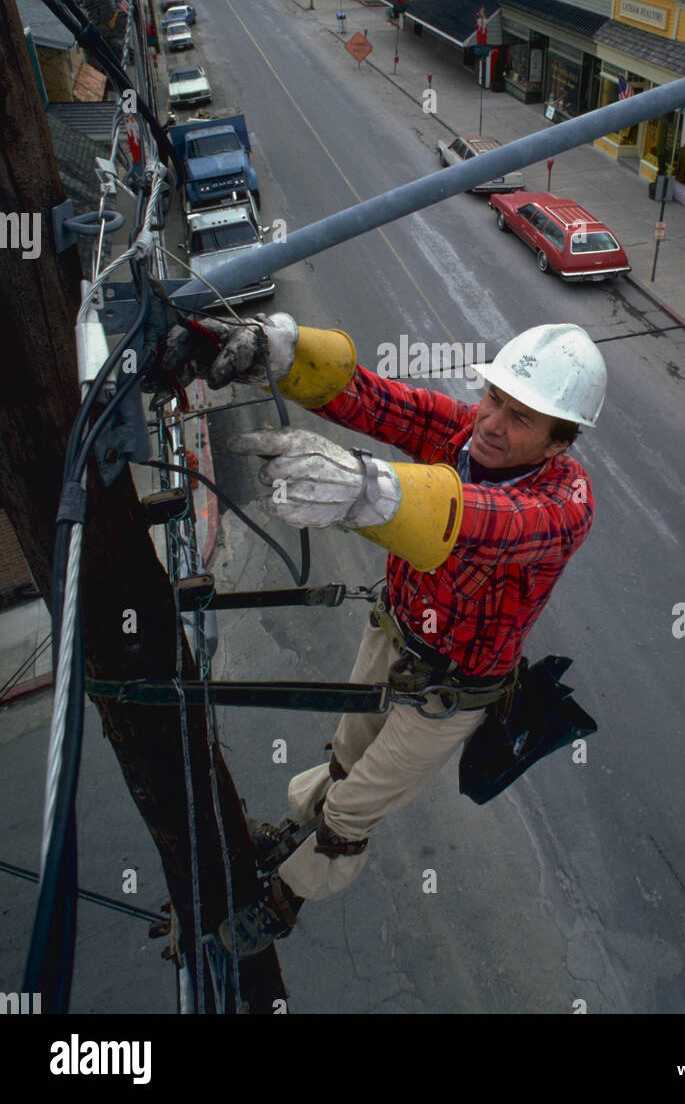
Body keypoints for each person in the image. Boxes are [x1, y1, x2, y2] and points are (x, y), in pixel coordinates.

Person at [159, 314, 607, 956]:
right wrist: (284, 358)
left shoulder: (566, 505)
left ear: (559, 445)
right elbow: (385, 403)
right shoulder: (466, 433)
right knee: (344, 756)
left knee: (355, 805)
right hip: (395, 635)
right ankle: (295, 828)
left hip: (450, 693)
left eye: (521, 418)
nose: (492, 423)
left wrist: (368, 490)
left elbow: (482, 521)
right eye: (494, 399)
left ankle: (288, 897)